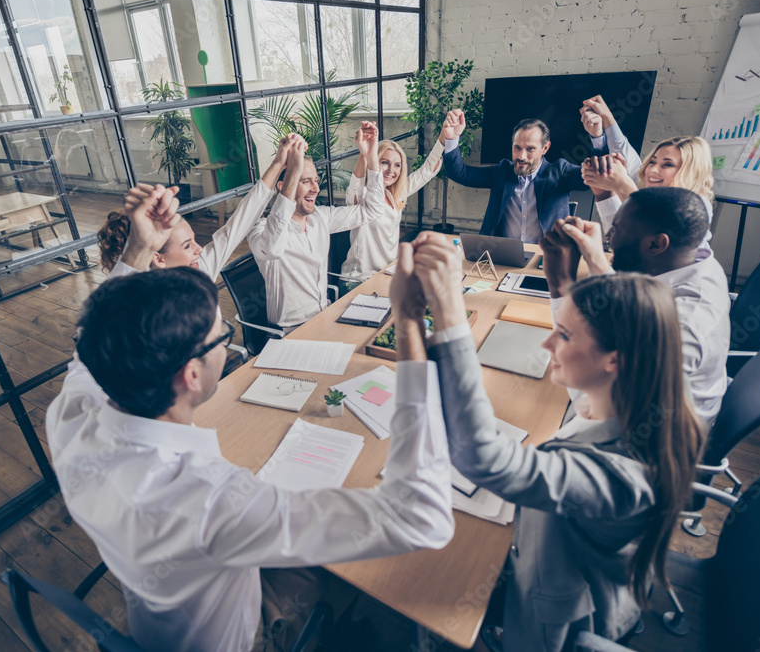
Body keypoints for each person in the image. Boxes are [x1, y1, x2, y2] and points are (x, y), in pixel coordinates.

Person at [47, 187, 454, 652]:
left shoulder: (72, 422)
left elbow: (88, 347)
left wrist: (138, 248)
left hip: (158, 624)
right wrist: (409, 326)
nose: (227, 337)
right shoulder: (212, 500)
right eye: (220, 334)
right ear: (191, 374)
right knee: (354, 580)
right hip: (242, 637)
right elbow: (421, 518)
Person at [397, 231, 702, 651]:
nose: (547, 342)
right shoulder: (630, 395)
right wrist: (561, 283)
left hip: (551, 625)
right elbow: (589, 372)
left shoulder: (623, 477)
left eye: (564, 335)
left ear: (614, 360)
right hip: (550, 560)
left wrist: (446, 306)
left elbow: (484, 457)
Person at [543, 187, 730, 424]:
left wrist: (560, 284)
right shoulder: (699, 263)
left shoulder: (682, 326)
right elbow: (630, 308)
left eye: (616, 229)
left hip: (652, 432)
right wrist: (594, 258)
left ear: (656, 244)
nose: (608, 237)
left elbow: (602, 404)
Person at [96, 134, 306, 284]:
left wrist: (279, 164)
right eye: (187, 245)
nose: (200, 249)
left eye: (193, 241)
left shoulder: (200, 269)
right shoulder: (139, 311)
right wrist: (137, 248)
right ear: (158, 259)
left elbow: (241, 220)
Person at [249, 122, 386, 329]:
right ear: (283, 186)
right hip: (289, 331)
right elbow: (271, 249)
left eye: (315, 180)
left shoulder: (321, 218)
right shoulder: (261, 230)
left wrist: (371, 156)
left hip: (324, 317)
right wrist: (291, 173)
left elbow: (372, 210)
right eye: (305, 181)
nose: (315, 188)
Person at [579, 95, 715, 258]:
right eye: (652, 161)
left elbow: (658, 233)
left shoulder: (698, 206)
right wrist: (603, 193)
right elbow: (618, 240)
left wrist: (623, 187)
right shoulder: (650, 188)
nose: (653, 170)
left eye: (667, 164)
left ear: (690, 172)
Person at [441, 109, 607, 242]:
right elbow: (461, 173)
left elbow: (597, 177)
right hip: (502, 255)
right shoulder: (503, 171)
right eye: (517, 148)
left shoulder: (560, 172)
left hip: (546, 256)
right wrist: (452, 138)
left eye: (530, 149)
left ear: (545, 148)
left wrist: (597, 137)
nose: (521, 156)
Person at [340, 132, 446, 280]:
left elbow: (426, 171)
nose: (391, 170)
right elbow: (354, 191)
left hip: (387, 274)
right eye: (384, 163)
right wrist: (365, 153)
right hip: (359, 279)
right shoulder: (363, 194)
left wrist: (444, 136)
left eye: (397, 165)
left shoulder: (394, 195)